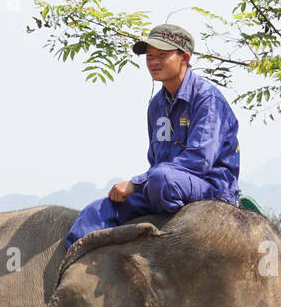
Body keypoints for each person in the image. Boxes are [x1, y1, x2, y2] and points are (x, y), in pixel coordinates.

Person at [66, 24, 240, 246]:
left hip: (210, 188)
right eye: (149, 56)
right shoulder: (157, 105)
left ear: (184, 57)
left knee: (161, 180)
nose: (153, 62)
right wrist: (143, 185)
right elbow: (156, 160)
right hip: (164, 185)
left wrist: (137, 183)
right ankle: (72, 262)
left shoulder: (207, 99)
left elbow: (199, 160)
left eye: (162, 55)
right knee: (96, 210)